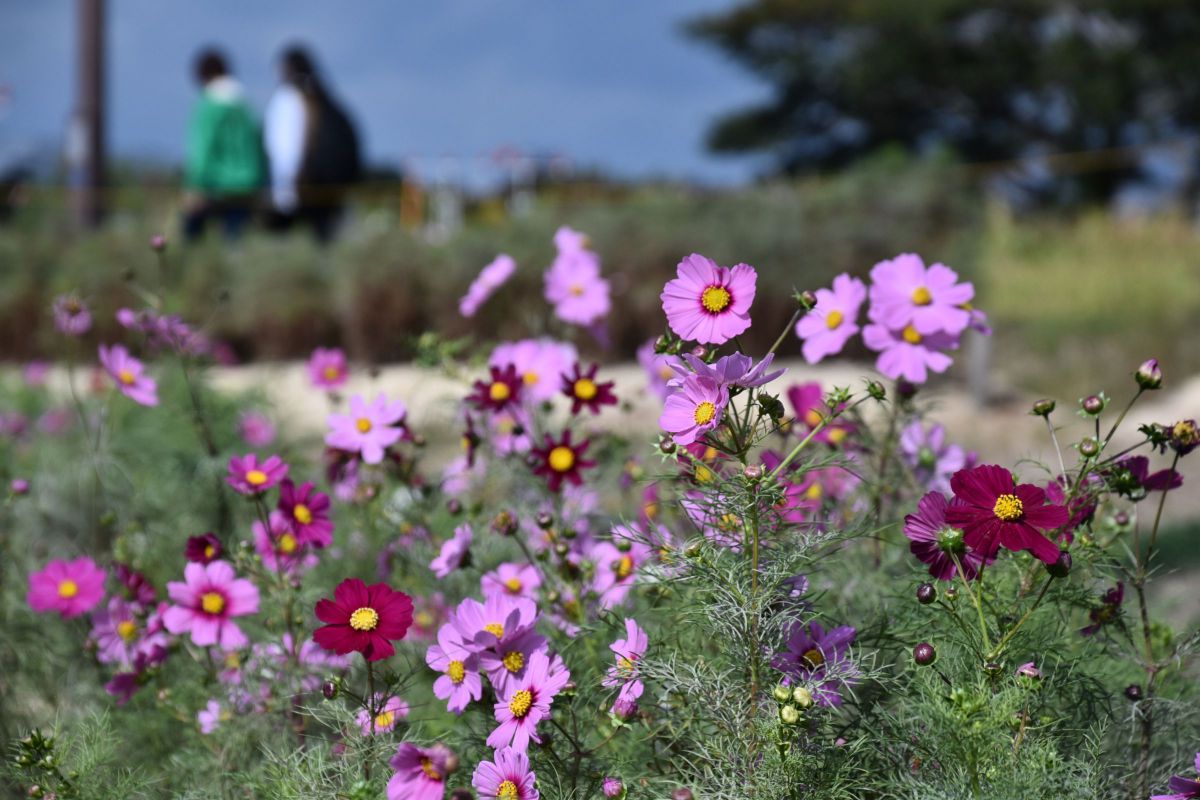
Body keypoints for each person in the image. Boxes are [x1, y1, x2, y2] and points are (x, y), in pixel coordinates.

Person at [264, 45, 361, 243]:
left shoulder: (289, 98)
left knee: (285, 242)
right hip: (335, 187)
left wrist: (284, 189)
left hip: (303, 184)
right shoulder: (324, 98)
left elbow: (285, 148)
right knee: (325, 240)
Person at [182, 48, 265, 240]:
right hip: (247, 183)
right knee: (235, 240)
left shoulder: (209, 105)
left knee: (193, 236)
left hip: (217, 184)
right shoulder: (244, 105)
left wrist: (194, 184)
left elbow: (202, 147)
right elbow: (257, 143)